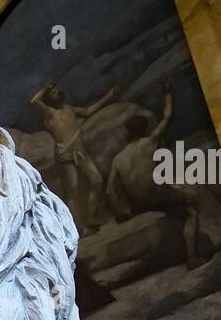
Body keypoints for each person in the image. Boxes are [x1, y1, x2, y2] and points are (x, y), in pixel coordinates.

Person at [31, 81, 118, 232]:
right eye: (53, 93)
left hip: (79, 151)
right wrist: (47, 88)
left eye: (57, 91)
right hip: (65, 154)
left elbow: (89, 111)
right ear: (49, 99)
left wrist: (109, 96)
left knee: (97, 181)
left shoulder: (69, 109)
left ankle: (91, 218)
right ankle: (76, 229)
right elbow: (34, 101)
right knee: (72, 191)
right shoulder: (49, 113)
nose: (57, 93)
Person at [105, 81, 175, 221]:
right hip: (158, 198)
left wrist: (119, 213)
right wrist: (167, 94)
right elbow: (167, 117)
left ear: (128, 133)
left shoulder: (118, 159)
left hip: (138, 206)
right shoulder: (149, 142)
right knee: (192, 212)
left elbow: (109, 190)